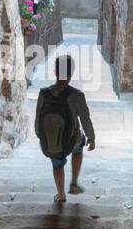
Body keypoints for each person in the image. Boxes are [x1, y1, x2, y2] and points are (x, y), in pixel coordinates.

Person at [34, 53, 97, 205]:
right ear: (71, 73)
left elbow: (37, 123)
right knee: (80, 143)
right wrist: (91, 138)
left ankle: (61, 196)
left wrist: (43, 137)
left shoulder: (43, 94)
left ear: (55, 72)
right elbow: (85, 120)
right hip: (72, 141)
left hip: (51, 143)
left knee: (57, 164)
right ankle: (74, 183)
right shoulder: (77, 95)